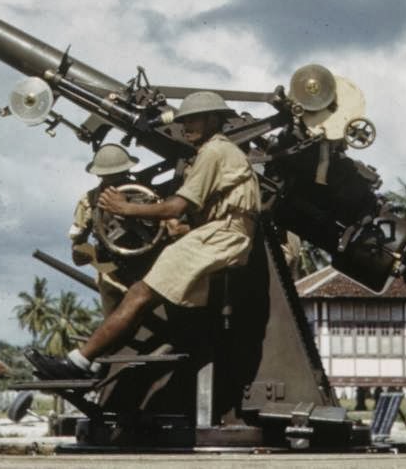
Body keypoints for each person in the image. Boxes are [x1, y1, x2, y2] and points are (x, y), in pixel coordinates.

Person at [29, 90, 260, 380]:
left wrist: (124, 208)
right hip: (220, 232)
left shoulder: (213, 152)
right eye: (184, 120)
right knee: (145, 293)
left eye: (194, 120)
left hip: (222, 235)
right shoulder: (218, 151)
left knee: (140, 292)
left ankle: (80, 361)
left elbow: (175, 206)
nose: (186, 127)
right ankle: (100, 358)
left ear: (213, 119)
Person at [69, 143, 141, 315]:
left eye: (118, 176)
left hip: (145, 271)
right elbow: (77, 244)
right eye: (108, 176)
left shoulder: (143, 194)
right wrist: (80, 252)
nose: (113, 181)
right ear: (99, 175)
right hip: (110, 276)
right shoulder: (88, 201)